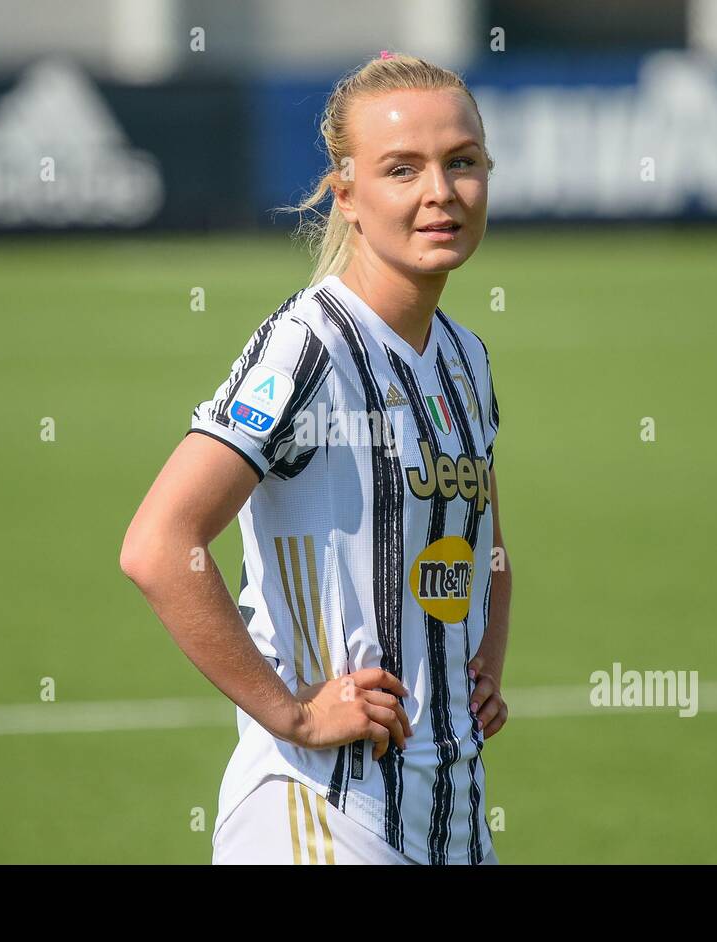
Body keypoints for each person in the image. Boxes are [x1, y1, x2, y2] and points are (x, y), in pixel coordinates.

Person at [119, 51, 511, 865]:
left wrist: (480, 662)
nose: (441, 192)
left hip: (455, 817)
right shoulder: (311, 348)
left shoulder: (465, 359)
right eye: (402, 169)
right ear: (347, 194)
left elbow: (485, 545)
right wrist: (293, 714)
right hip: (319, 813)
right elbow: (160, 543)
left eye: (462, 162)